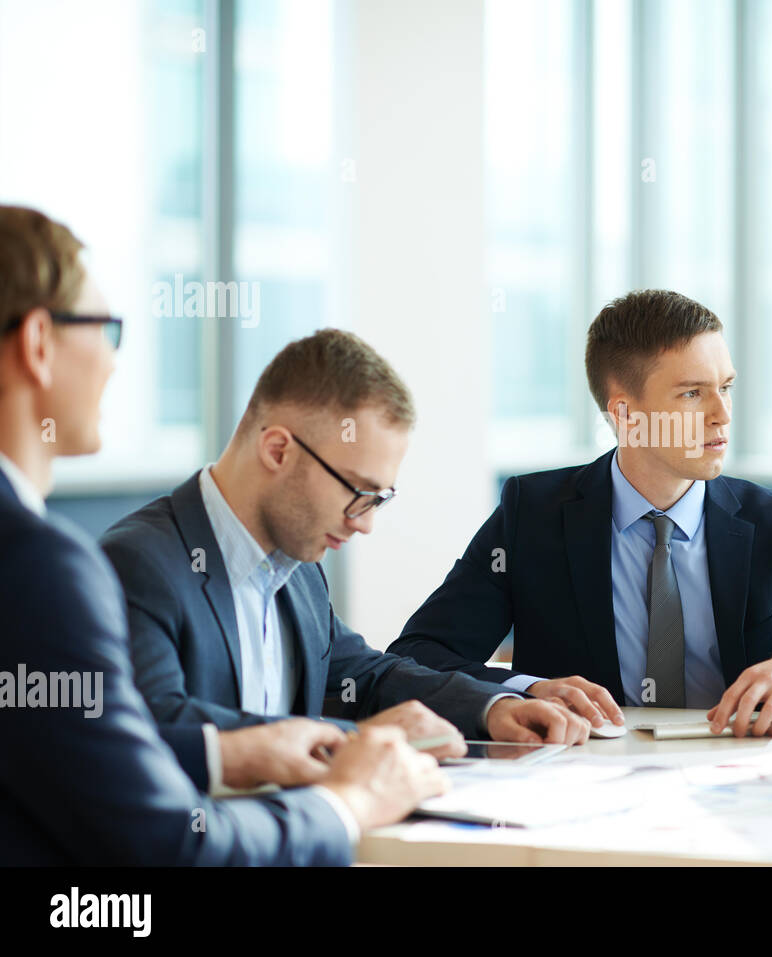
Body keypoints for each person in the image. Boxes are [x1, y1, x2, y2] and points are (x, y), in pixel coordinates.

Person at [0, 204, 444, 864]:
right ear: (39, 342)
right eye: (106, 329)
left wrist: (226, 751)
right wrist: (346, 803)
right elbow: (164, 844)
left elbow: (45, 743)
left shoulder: (298, 574)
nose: (116, 364)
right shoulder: (43, 565)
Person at [391, 289, 772, 738]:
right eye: (693, 393)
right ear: (626, 415)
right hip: (584, 785)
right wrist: (528, 688)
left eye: (727, 386)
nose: (723, 413)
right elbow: (415, 656)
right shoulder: (534, 515)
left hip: (738, 784)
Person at [100, 328, 589, 748]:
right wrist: (358, 742)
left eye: (379, 498)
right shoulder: (139, 565)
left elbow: (367, 675)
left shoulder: (297, 570)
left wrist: (494, 706)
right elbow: (162, 729)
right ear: (277, 451)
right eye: (359, 491)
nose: (364, 522)